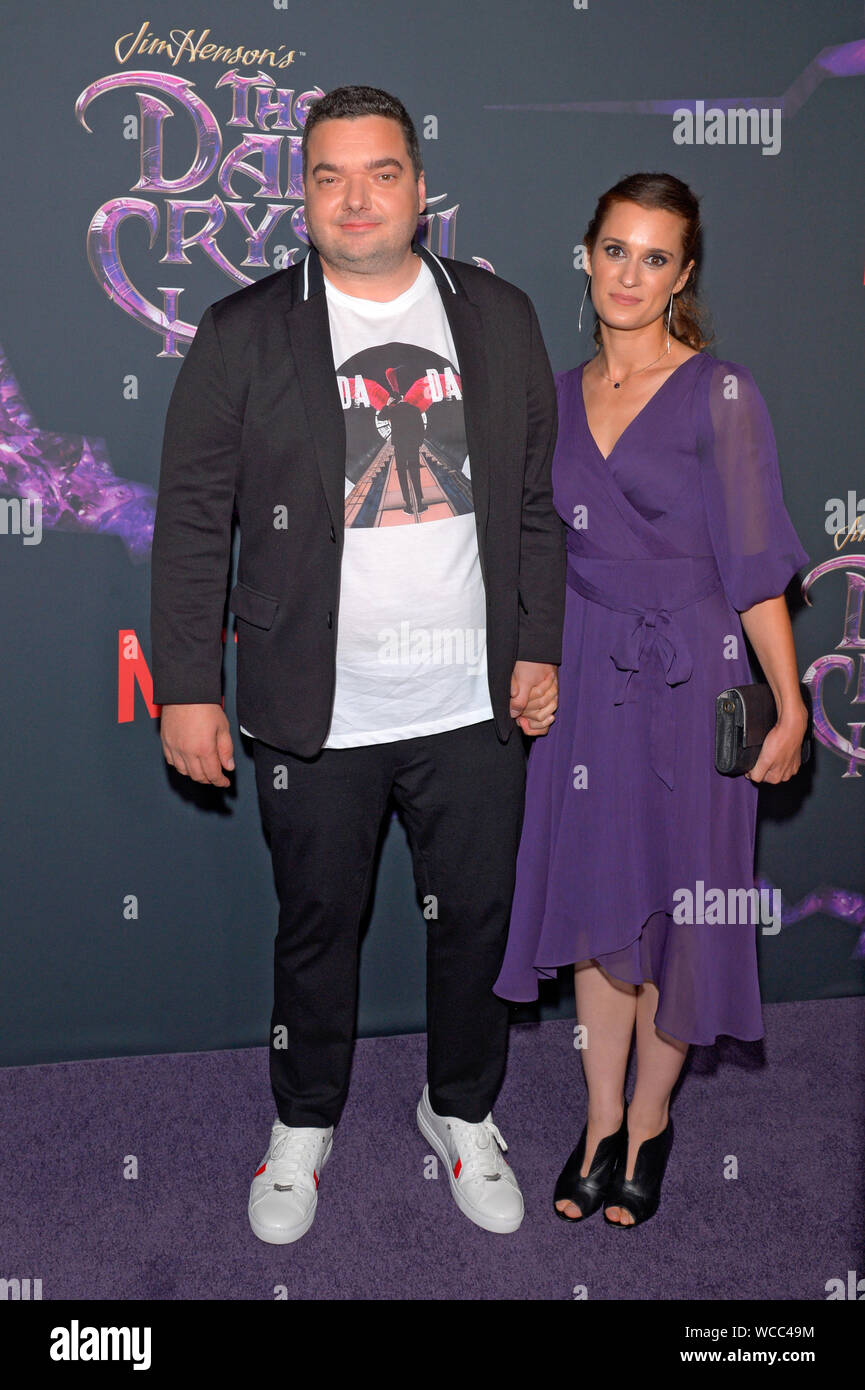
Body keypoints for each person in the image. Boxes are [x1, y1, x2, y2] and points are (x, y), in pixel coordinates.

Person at [150, 85, 566, 1244]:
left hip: (471, 700)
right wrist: (189, 685)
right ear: (302, 195)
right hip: (312, 706)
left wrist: (536, 644)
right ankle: (303, 1124)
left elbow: (533, 502)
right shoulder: (243, 330)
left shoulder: (497, 313)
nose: (355, 198)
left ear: (420, 188)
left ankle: (461, 1108)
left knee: (476, 920)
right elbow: (192, 517)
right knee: (316, 925)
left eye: (379, 172)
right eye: (328, 177)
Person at [493, 172, 810, 1228]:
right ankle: (596, 1121)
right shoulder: (554, 388)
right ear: (585, 255)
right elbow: (536, 552)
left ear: (683, 275)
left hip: (694, 672)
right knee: (595, 907)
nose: (629, 274)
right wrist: (530, 660)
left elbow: (756, 561)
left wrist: (789, 702)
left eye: (654, 257)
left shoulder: (720, 392)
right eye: (614, 250)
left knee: (680, 908)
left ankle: (650, 1120)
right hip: (586, 668)